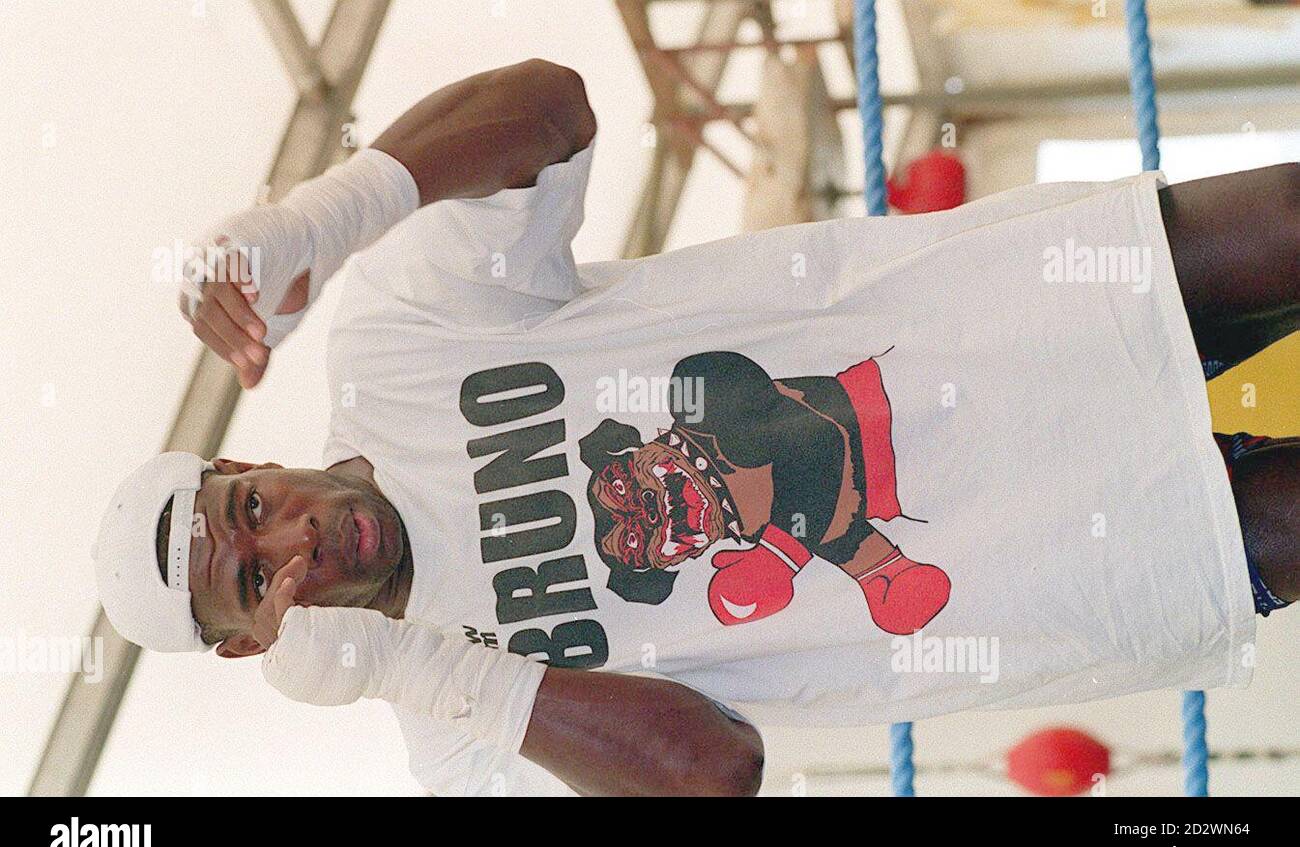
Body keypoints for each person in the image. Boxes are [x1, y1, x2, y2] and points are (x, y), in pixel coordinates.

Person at [93, 59, 1297, 796]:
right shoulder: (457, 748)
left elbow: (552, 108)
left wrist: (329, 212)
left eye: (251, 509)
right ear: (254, 643)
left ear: (250, 462)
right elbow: (711, 774)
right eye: (254, 581)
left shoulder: (395, 342)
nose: (296, 543)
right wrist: (416, 666)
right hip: (1060, 558)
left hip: (996, 312)